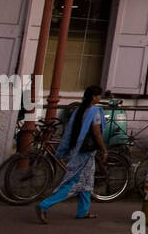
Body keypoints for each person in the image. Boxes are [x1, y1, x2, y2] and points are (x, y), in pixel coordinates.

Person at [35, 85, 106, 223]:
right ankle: (44, 205)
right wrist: (104, 149)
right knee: (74, 183)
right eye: (99, 95)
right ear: (94, 97)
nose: (100, 98)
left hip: (77, 149)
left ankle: (83, 211)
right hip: (85, 152)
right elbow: (96, 133)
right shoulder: (95, 112)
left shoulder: (78, 110)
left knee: (87, 182)